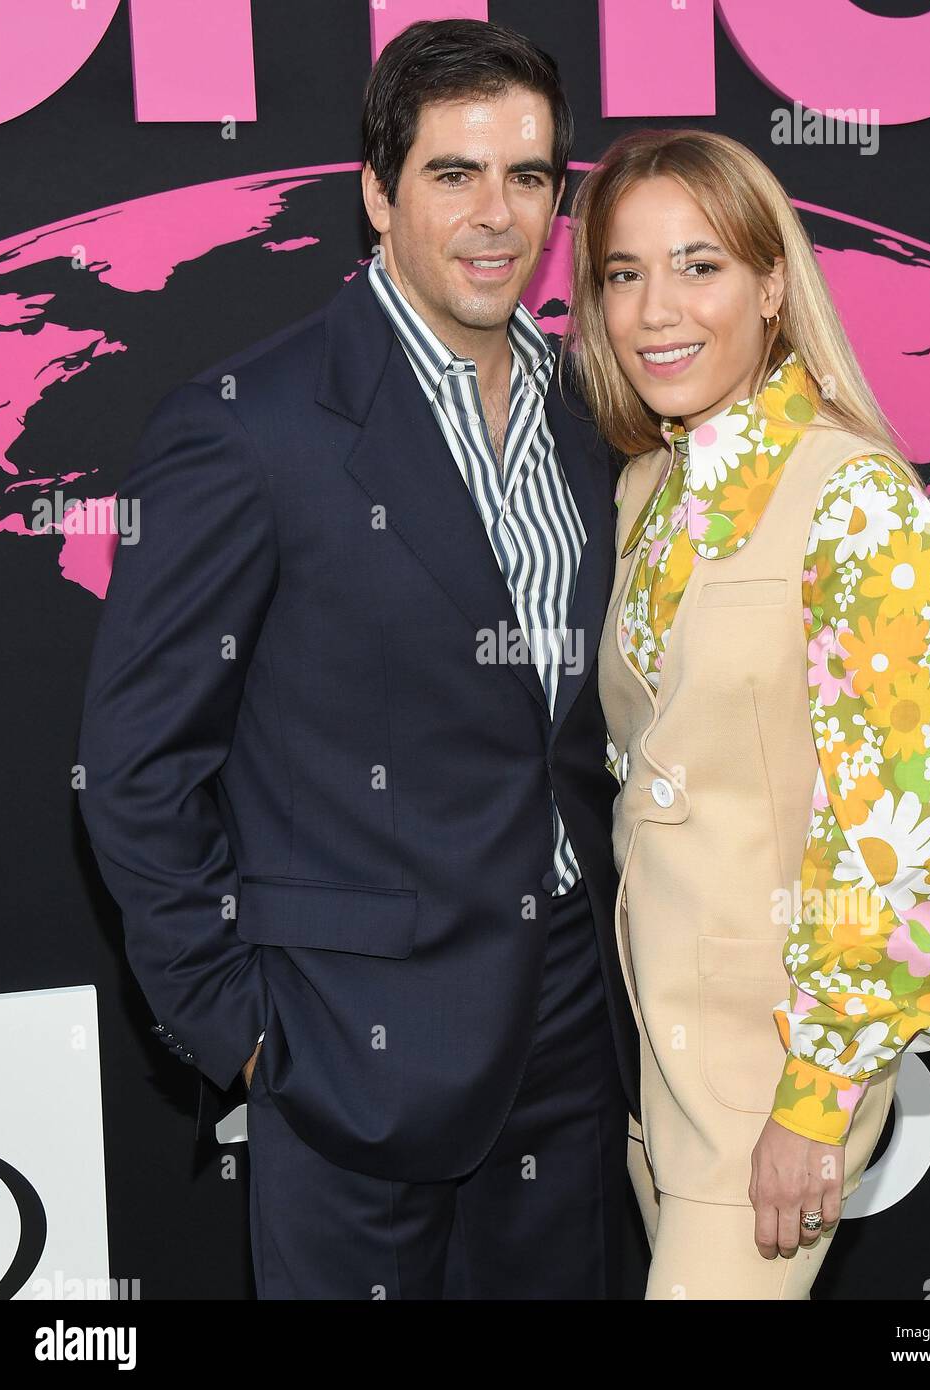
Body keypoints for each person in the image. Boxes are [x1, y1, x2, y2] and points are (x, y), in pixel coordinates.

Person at [76, 18, 642, 1299]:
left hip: (571, 1022)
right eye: (453, 174)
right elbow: (134, 765)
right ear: (378, 193)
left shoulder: (588, 413)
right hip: (353, 1048)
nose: (496, 215)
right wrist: (245, 1035)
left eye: (528, 176)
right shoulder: (251, 428)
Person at [564, 128, 930, 1299]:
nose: (655, 309)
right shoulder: (649, 480)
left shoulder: (852, 499)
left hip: (775, 1067)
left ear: (770, 283)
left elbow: (882, 835)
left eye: (697, 265)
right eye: (622, 272)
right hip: (659, 1065)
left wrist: (813, 1097)